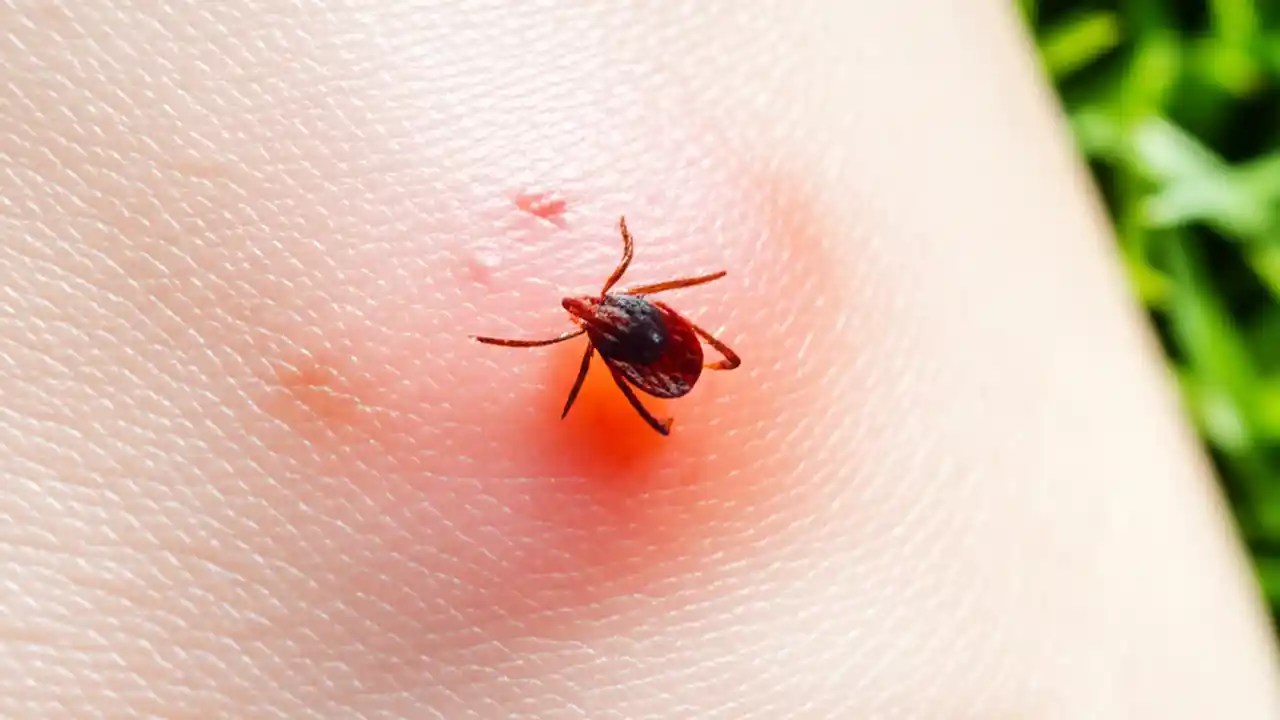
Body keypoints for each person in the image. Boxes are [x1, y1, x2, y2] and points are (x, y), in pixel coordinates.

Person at [2, 2, 1277, 717]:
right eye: (596, 316)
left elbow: (637, 333)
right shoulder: (620, 315)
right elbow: (641, 328)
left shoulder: (611, 330)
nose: (594, 315)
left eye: (595, 309)